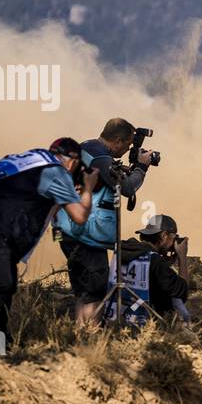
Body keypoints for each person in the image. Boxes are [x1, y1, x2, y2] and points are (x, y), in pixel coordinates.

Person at [0, 138, 98, 351]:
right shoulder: (57, 171)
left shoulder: (31, 160)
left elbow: (43, 209)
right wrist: (88, 188)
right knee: (1, 284)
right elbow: (80, 215)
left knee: (3, 283)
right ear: (72, 162)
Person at [54, 117, 157, 326]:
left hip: (68, 230)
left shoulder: (87, 149)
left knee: (84, 288)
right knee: (95, 287)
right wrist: (141, 168)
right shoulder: (100, 158)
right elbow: (127, 188)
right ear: (117, 140)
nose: (128, 150)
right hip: (86, 234)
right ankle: (90, 336)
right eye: (128, 145)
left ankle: (81, 332)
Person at [104, 214, 191, 326]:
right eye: (174, 237)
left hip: (119, 312)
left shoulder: (125, 250)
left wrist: (165, 260)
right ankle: (182, 328)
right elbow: (182, 290)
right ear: (164, 236)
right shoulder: (155, 260)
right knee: (176, 299)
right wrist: (182, 256)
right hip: (144, 317)